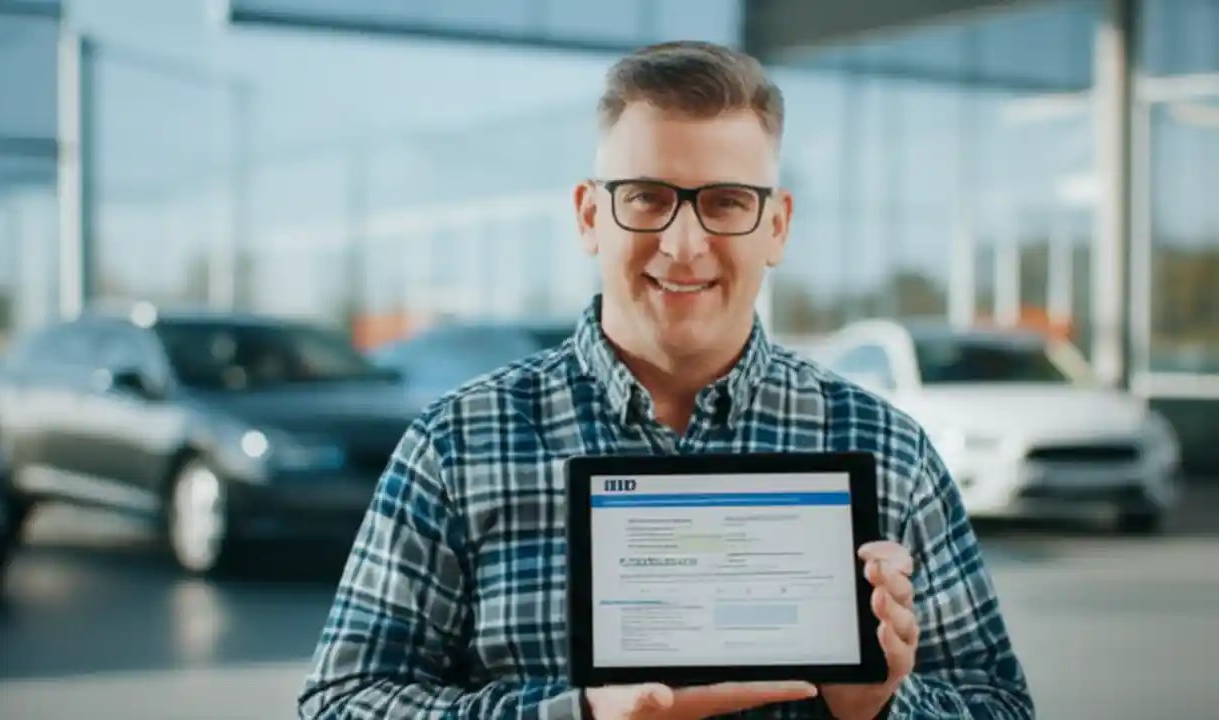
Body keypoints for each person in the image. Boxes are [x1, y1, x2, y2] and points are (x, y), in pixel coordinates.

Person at [298, 40, 1034, 719]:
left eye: (725, 202)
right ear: (590, 216)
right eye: (647, 196)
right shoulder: (457, 445)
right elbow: (341, 703)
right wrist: (570, 715)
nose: (684, 246)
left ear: (776, 226)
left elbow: (1000, 706)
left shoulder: (888, 452)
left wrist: (880, 706)